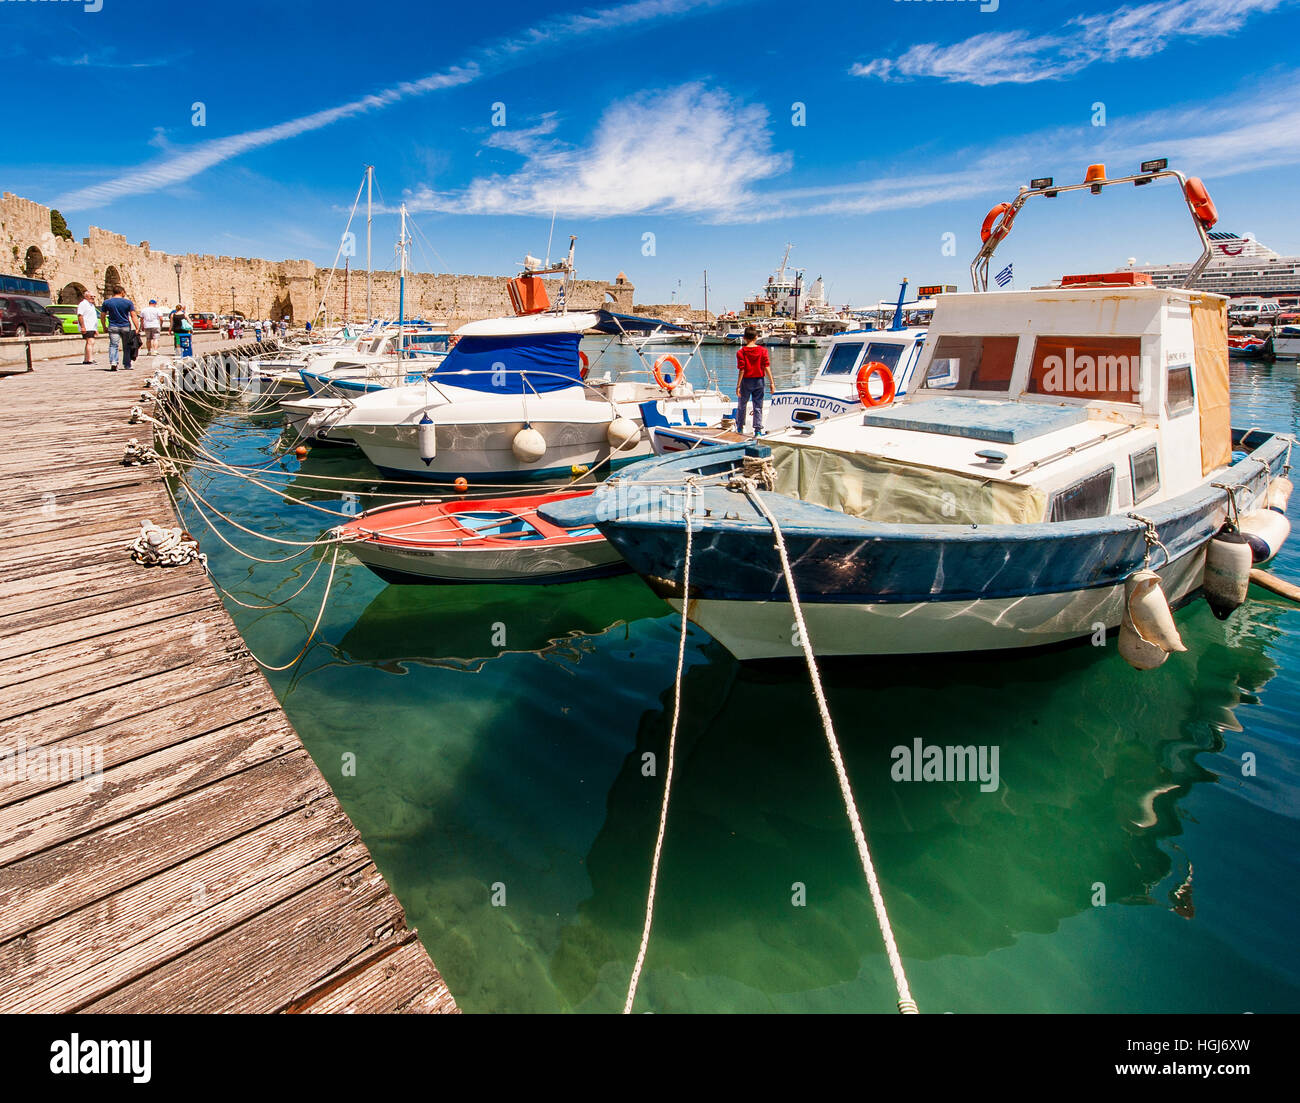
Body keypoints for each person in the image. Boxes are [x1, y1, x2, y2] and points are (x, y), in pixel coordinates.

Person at [735, 326, 775, 435]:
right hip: (759, 381)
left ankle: (739, 428)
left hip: (746, 381)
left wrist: (738, 385)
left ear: (744, 338)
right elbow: (767, 367)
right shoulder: (763, 351)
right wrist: (772, 382)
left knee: (742, 405)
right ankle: (757, 430)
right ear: (756, 337)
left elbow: (742, 370)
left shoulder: (741, 352)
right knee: (758, 406)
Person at [101, 288, 140, 371]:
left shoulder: (107, 302)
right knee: (126, 346)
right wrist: (137, 327)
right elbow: (133, 315)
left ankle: (114, 362)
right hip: (125, 326)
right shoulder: (128, 302)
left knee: (113, 345)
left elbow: (102, 316)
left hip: (113, 326)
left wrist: (104, 326)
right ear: (122, 292)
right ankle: (127, 364)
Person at [77, 290, 99, 364]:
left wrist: (95, 329)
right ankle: (90, 359)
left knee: (89, 342)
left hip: (91, 327)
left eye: (93, 296)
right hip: (87, 326)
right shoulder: (83, 304)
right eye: (91, 296)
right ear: (86, 296)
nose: (92, 298)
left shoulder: (91, 305)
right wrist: (83, 327)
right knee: (90, 342)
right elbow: (80, 316)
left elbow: (93, 318)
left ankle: (86, 359)